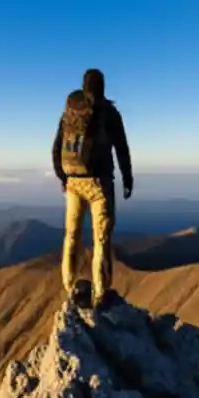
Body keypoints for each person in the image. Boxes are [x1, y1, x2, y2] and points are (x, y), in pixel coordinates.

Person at [52, 68, 133, 308]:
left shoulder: (70, 111)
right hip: (99, 184)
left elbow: (57, 147)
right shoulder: (109, 112)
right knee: (101, 238)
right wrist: (128, 179)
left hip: (73, 181)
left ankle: (70, 285)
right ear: (103, 86)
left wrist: (63, 177)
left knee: (72, 234)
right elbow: (122, 148)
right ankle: (99, 293)